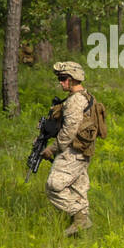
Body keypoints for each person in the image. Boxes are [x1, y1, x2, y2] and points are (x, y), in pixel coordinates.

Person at [40, 61, 95, 236]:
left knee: (53, 185)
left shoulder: (75, 101)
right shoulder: (83, 97)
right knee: (79, 187)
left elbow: (69, 131)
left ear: (73, 79)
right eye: (60, 79)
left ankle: (80, 217)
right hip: (81, 150)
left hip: (72, 151)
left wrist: (53, 148)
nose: (61, 82)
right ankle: (81, 233)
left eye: (64, 78)